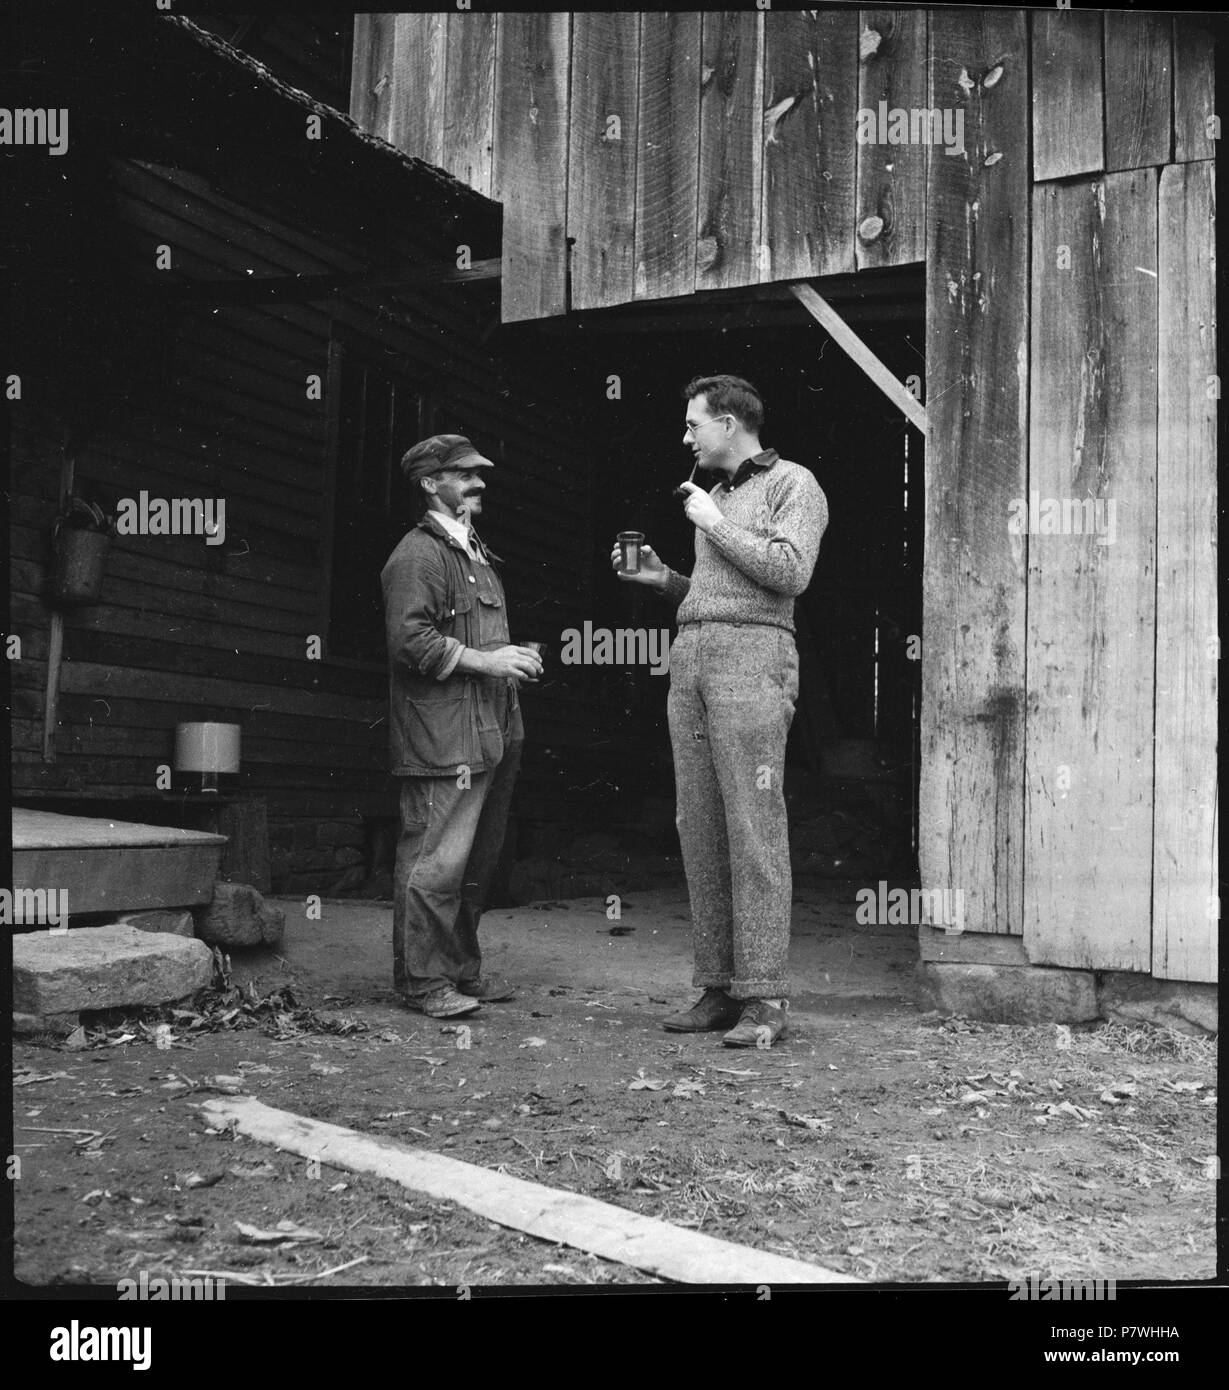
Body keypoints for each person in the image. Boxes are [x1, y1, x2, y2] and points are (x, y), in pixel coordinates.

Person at [611, 376, 827, 1047]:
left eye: (692, 425)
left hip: (754, 660)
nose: (685, 437)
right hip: (695, 656)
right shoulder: (722, 495)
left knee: (751, 822)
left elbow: (789, 574)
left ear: (729, 423)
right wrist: (667, 582)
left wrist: (712, 523)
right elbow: (720, 588)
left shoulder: (794, 484)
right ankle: (717, 986)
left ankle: (764, 997)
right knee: (698, 822)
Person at [382, 434, 543, 1018]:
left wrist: (509, 658)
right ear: (430, 484)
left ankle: (460, 971)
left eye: (479, 475)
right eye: (464, 475)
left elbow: (470, 639)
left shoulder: (474, 553)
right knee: (436, 859)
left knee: (476, 861)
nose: (478, 484)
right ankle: (422, 983)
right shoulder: (417, 556)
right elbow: (409, 641)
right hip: (442, 734)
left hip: (492, 727)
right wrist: (488, 661)